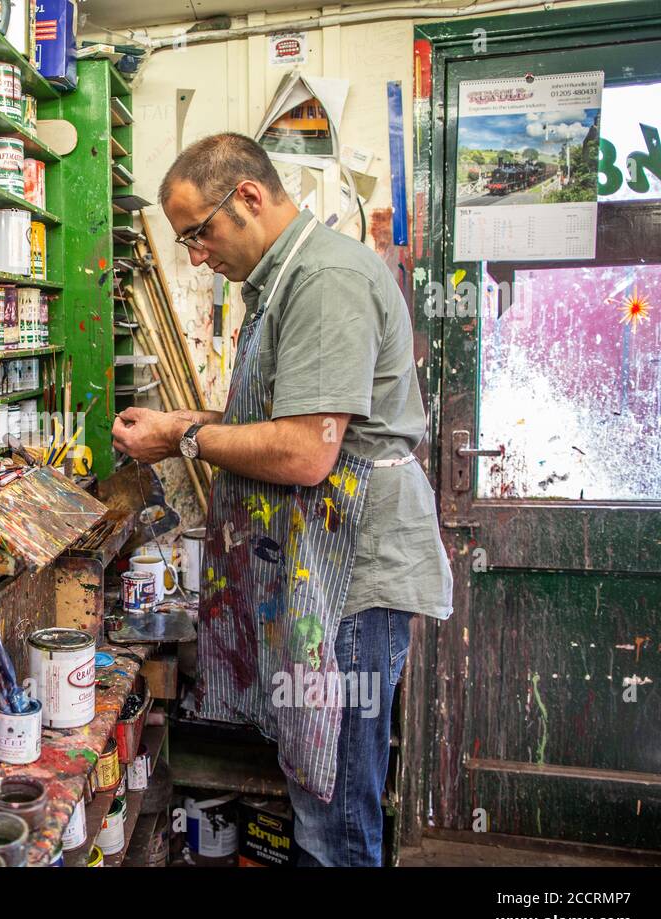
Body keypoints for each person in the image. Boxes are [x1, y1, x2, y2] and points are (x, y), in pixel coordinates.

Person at [112, 133, 452, 866]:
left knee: (332, 811)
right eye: (185, 242)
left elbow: (304, 451)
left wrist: (183, 438)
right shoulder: (281, 282)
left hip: (351, 588)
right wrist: (187, 425)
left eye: (199, 233)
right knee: (313, 790)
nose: (197, 255)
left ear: (249, 197)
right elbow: (267, 427)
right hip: (319, 574)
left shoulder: (325, 279)